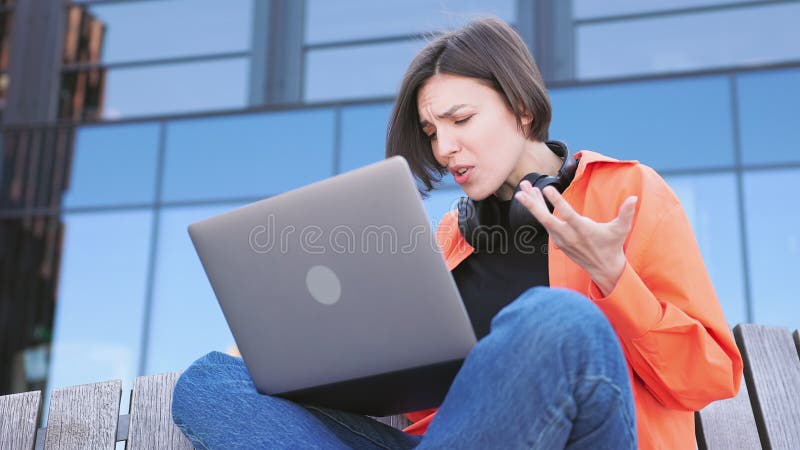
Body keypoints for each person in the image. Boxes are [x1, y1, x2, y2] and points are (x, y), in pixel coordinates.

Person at [171, 17, 742, 449]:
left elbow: (709, 380)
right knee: (211, 383)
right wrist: (292, 344)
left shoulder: (627, 193)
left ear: (520, 108)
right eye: (431, 131)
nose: (444, 148)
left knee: (557, 320)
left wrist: (613, 275)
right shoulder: (449, 235)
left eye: (461, 120)